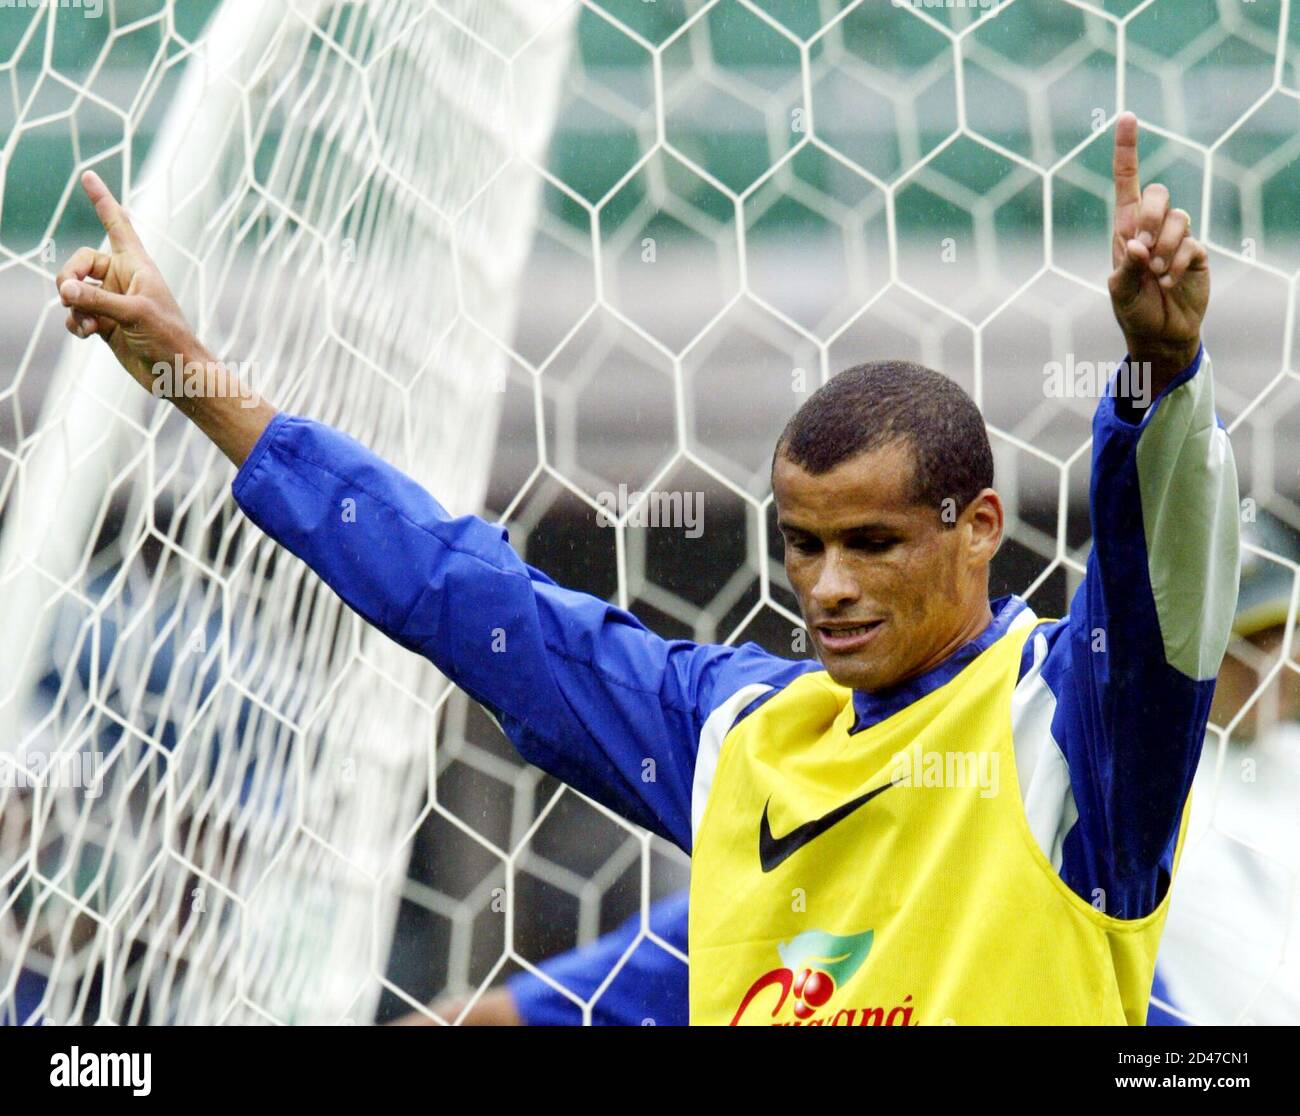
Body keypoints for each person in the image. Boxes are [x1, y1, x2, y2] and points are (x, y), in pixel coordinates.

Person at [52, 112, 1237, 1024]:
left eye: (872, 545)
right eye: (802, 544)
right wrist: (196, 381)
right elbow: (468, 598)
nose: (826, 588)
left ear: (980, 525)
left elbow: (1159, 592)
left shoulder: (1072, 733)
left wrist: (1154, 379)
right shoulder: (738, 736)